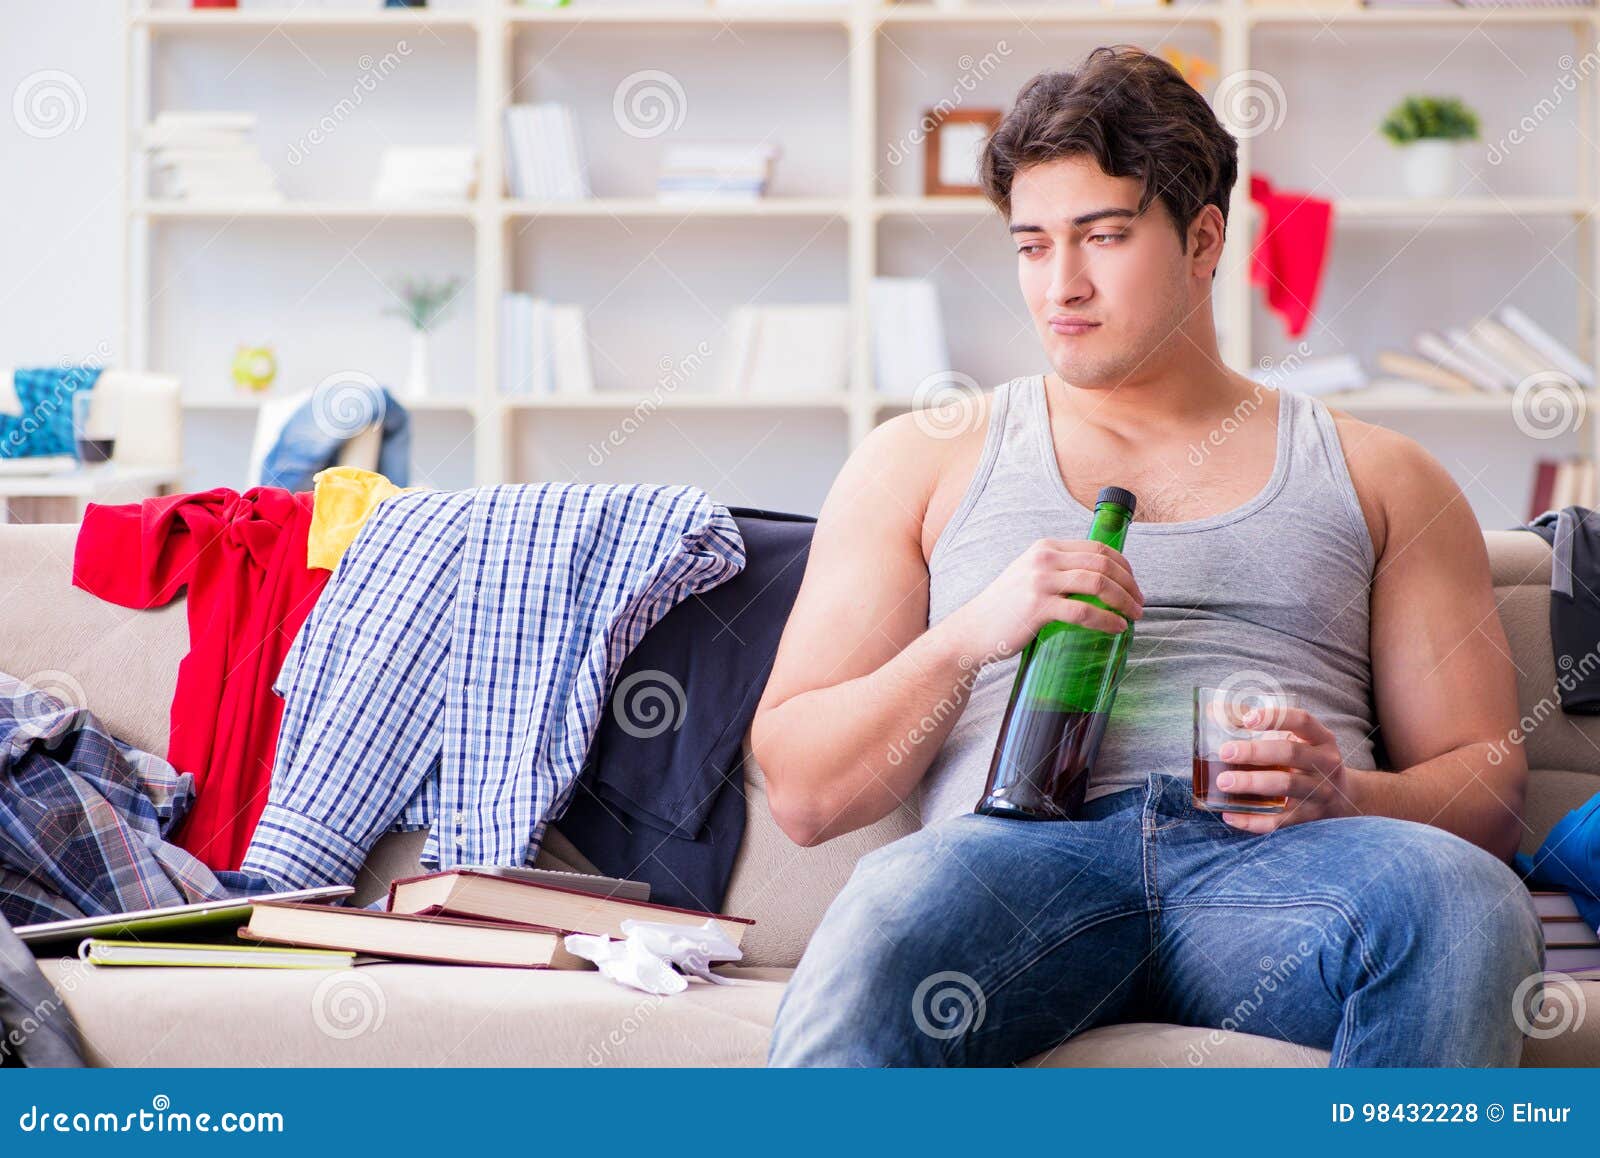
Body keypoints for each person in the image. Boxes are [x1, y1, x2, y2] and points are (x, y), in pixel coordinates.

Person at [753, 45, 1543, 1067]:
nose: (1060, 285)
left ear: (1202, 238)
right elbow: (805, 795)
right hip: (1011, 870)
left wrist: (1347, 792)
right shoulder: (919, 460)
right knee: (884, 913)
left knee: (1463, 900)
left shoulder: (1382, 473)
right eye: (1032, 246)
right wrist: (969, 638)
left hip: (1291, 874)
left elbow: (1485, 787)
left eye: (1104, 236)